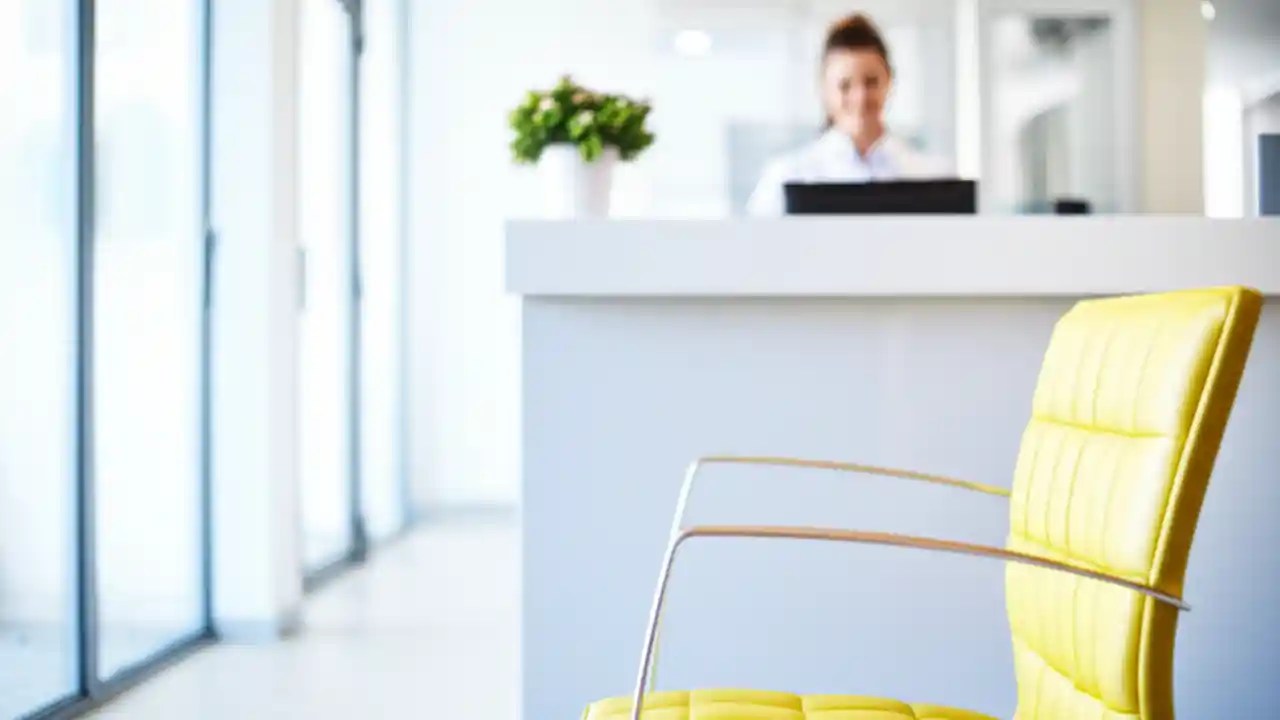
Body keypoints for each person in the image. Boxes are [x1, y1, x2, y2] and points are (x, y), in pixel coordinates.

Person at [746, 13, 949, 216]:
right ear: (824, 89)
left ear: (889, 81)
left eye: (871, 82)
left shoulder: (933, 177)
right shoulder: (786, 177)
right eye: (845, 85)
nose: (860, 97)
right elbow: (756, 245)